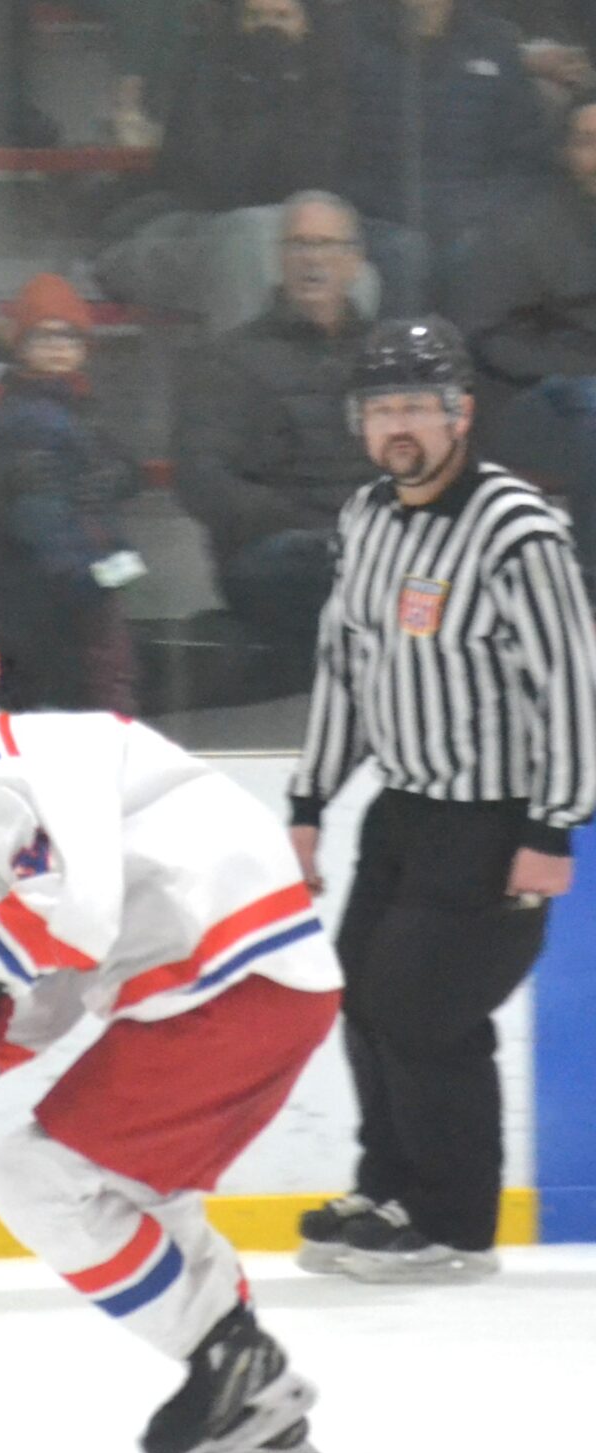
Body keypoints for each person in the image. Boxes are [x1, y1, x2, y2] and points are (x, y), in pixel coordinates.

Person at [0, 594, 342, 1453]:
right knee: (140, 1197)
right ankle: (257, 1399)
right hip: (249, 988)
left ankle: (240, 1374)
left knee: (35, 1179)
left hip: (224, 981)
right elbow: (46, 988)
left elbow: (73, 917)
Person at [288, 318, 596, 1280]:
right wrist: (309, 803)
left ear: (461, 411)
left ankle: (453, 1223)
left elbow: (573, 683)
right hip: (403, 812)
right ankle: (391, 1185)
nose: (400, 427)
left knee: (424, 1010)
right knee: (362, 997)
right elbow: (345, 669)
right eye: (383, 409)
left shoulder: (517, 530)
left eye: (419, 405)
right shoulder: (366, 518)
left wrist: (554, 827)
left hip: (494, 817)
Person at [171, 192, 379, 671]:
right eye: (299, 245)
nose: (312, 259)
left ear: (356, 261)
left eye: (327, 245)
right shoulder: (230, 359)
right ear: (280, 259)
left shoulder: (384, 356)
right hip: (276, 555)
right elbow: (201, 479)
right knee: (334, 565)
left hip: (369, 545)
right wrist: (300, 524)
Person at [94, 0, 367, 334]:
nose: (269, 29)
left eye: (282, 16)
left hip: (300, 218)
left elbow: (320, 177)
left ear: (306, 23)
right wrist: (259, 91)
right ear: (237, 22)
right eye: (256, 17)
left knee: (372, 267)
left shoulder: (327, 79)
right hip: (204, 220)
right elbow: (216, 181)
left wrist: (283, 87)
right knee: (251, 241)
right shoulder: (206, 72)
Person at [0, 273, 145, 713]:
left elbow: (126, 465)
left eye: (67, 336)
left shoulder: (84, 406)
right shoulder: (16, 411)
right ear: (21, 345)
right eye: (43, 336)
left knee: (109, 661)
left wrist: (117, 477)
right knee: (79, 667)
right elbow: (35, 512)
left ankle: (114, 724)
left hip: (93, 560)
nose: (56, 347)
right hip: (51, 576)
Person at [453, 90, 596, 582]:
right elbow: (490, 338)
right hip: (530, 402)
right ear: (565, 152)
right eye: (588, 141)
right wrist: (580, 373)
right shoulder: (523, 227)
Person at [339, 0, 553, 306]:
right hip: (380, 220)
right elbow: (339, 152)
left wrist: (478, 211)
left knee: (475, 256)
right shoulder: (358, 39)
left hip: (472, 222)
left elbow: (528, 161)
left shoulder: (494, 42)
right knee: (406, 255)